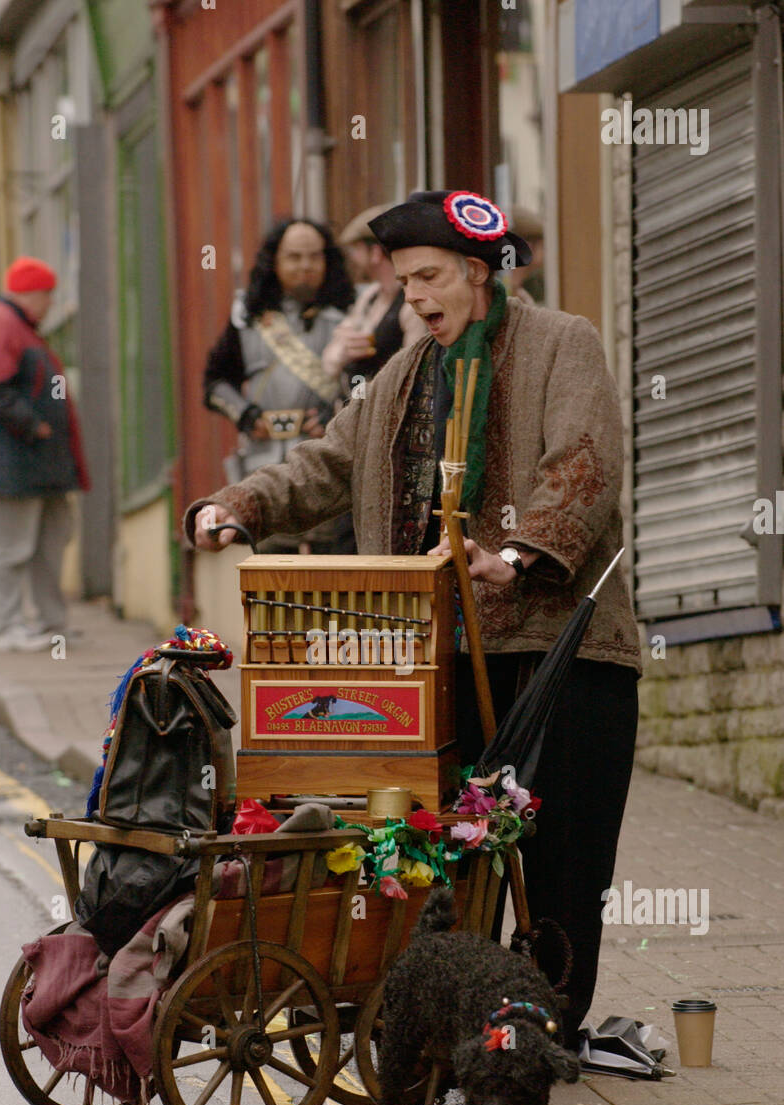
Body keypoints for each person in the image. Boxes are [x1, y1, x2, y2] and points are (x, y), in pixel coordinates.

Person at [185, 189, 641, 1047]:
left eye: (429, 277)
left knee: (560, 870)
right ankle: (461, 1032)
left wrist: (514, 555)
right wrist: (236, 504)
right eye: (403, 284)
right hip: (439, 658)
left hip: (557, 657)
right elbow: (323, 464)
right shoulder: (401, 373)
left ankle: (534, 1040)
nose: (416, 298)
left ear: (478, 271)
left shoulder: (561, 343)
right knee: (449, 864)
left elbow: (582, 466)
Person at [203, 218, 354, 553]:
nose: (305, 266)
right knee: (271, 587)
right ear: (275, 261)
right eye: (294, 257)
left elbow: (369, 386)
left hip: (328, 473)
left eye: (315, 257)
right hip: (264, 469)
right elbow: (214, 382)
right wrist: (244, 414)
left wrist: (338, 410)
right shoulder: (248, 317)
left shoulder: (353, 313)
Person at [0, 256, 90, 653]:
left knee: (47, 544)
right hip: (16, 463)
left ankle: (52, 623)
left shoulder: (21, 328)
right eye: (47, 296)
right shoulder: (0, 325)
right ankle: (8, 628)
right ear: (30, 294)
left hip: (40, 464)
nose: (50, 304)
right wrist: (32, 424)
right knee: (8, 547)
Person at [322, 204, 427, 385]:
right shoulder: (370, 297)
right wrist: (343, 351)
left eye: (356, 249)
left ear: (375, 252)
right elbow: (329, 364)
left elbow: (412, 373)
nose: (353, 258)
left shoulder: (410, 304)